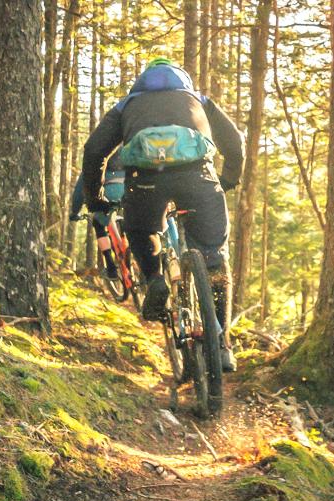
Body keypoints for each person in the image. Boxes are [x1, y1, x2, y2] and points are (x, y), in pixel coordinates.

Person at [81, 57, 245, 372]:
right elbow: (235, 141)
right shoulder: (198, 99)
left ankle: (155, 278)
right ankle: (223, 344)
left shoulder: (127, 105)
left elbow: (93, 150)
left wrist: (96, 200)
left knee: (141, 231)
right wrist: (228, 180)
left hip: (145, 181)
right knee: (215, 258)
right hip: (198, 178)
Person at [69, 151, 125, 281]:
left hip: (108, 192)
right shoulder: (126, 147)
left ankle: (111, 268)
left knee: (98, 223)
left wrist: (75, 212)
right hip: (130, 189)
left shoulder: (96, 154)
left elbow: (79, 190)